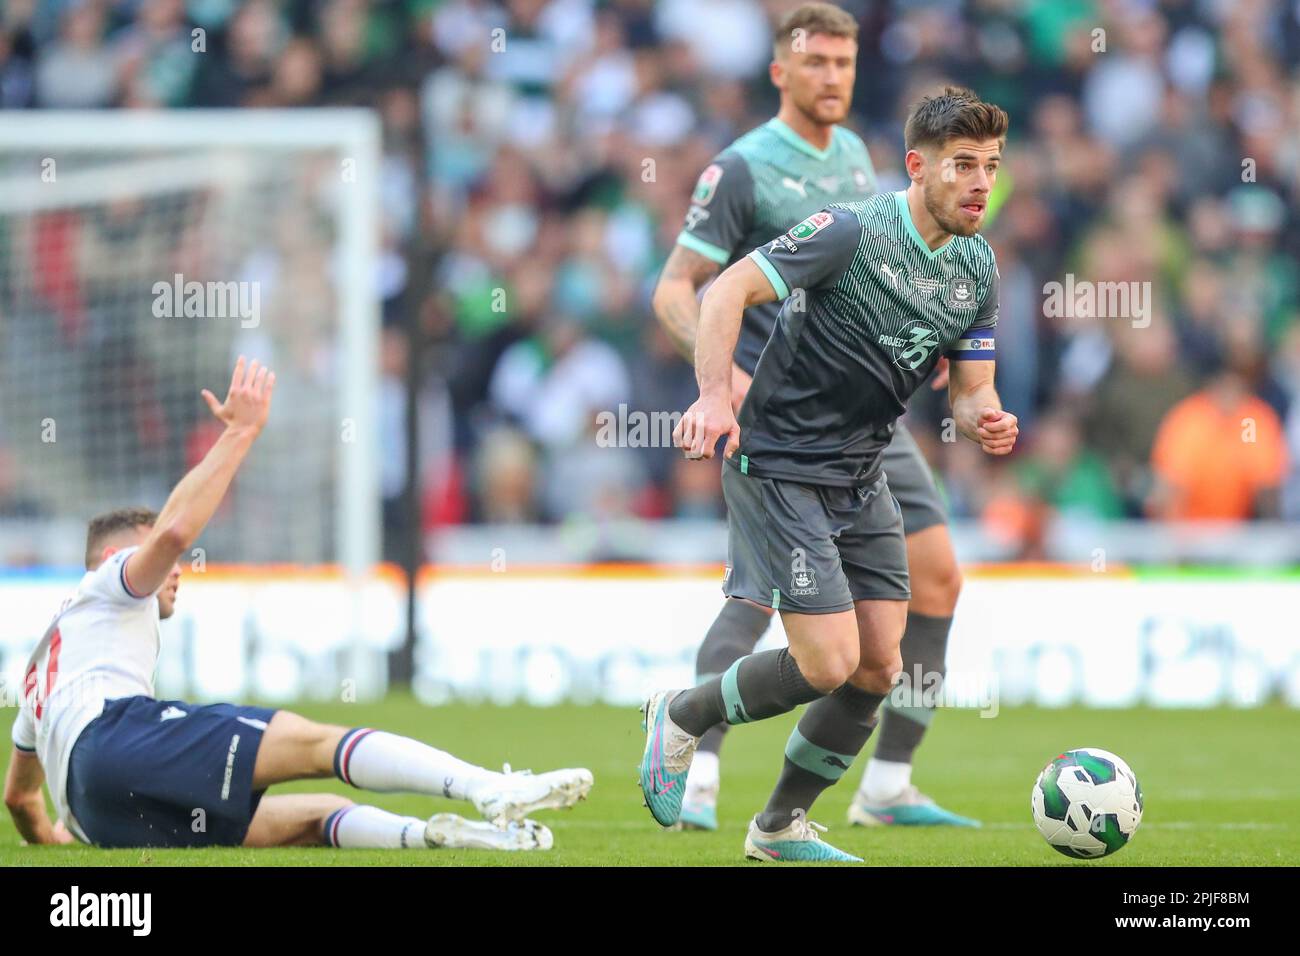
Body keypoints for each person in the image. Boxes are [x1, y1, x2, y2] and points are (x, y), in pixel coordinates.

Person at [640, 87, 1017, 861]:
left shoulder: (978, 270)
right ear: (918, 167)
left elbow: (974, 389)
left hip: (863, 469)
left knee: (880, 664)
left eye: (991, 166)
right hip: (779, 463)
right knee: (828, 662)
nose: (982, 182)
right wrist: (715, 396)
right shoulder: (850, 231)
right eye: (964, 166)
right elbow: (727, 288)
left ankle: (778, 828)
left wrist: (987, 417)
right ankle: (682, 714)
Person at [5, 358, 592, 851]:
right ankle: (485, 785)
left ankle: (448, 837)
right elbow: (174, 533)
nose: (174, 571)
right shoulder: (108, 583)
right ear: (110, 555)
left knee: (312, 818)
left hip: (98, 815)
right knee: (317, 745)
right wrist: (240, 433)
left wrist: (58, 843)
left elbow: (20, 798)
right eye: (152, 557)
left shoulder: (42, 663)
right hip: (117, 740)